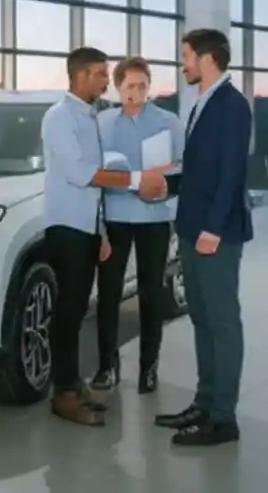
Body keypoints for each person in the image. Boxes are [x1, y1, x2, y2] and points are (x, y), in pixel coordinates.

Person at [41, 47, 167, 426]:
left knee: (78, 310)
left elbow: (92, 182)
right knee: (68, 312)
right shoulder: (60, 117)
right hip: (65, 227)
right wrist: (135, 180)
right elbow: (82, 172)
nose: (103, 80)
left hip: (85, 227)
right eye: (99, 73)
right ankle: (62, 394)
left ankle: (72, 384)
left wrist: (100, 231)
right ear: (79, 75)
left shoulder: (87, 116)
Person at [155, 28, 254, 447]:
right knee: (201, 319)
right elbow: (202, 170)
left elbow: (231, 173)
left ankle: (223, 419)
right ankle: (205, 401)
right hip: (194, 229)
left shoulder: (232, 106)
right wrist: (168, 180)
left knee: (222, 323)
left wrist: (212, 228)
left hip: (216, 233)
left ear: (207, 58)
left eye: (188, 56)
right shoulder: (202, 103)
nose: (184, 64)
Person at [91, 57, 184, 396]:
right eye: (130, 86)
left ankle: (148, 369)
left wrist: (163, 178)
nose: (137, 92)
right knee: (109, 294)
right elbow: (92, 176)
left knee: (151, 293)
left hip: (155, 218)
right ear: (118, 87)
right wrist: (98, 227)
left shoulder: (167, 122)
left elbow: (183, 168)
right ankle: (107, 366)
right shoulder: (101, 124)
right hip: (114, 217)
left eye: (142, 85)